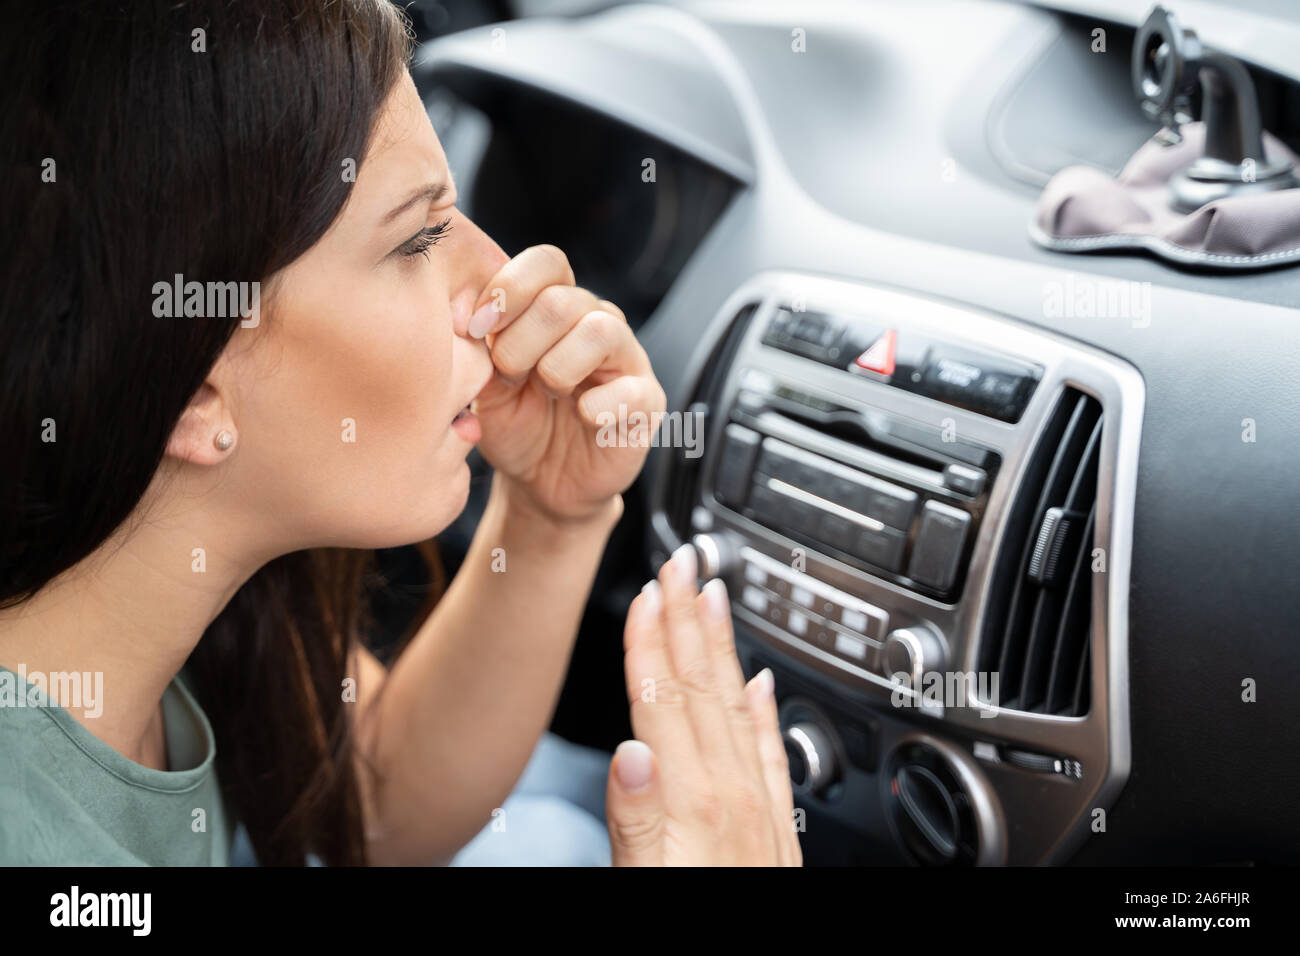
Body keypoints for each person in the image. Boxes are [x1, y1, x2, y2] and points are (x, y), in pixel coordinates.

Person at [0, 0, 801, 867]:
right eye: (416, 239)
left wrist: (550, 519)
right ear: (193, 393)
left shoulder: (175, 595)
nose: (502, 276)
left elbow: (364, 810)